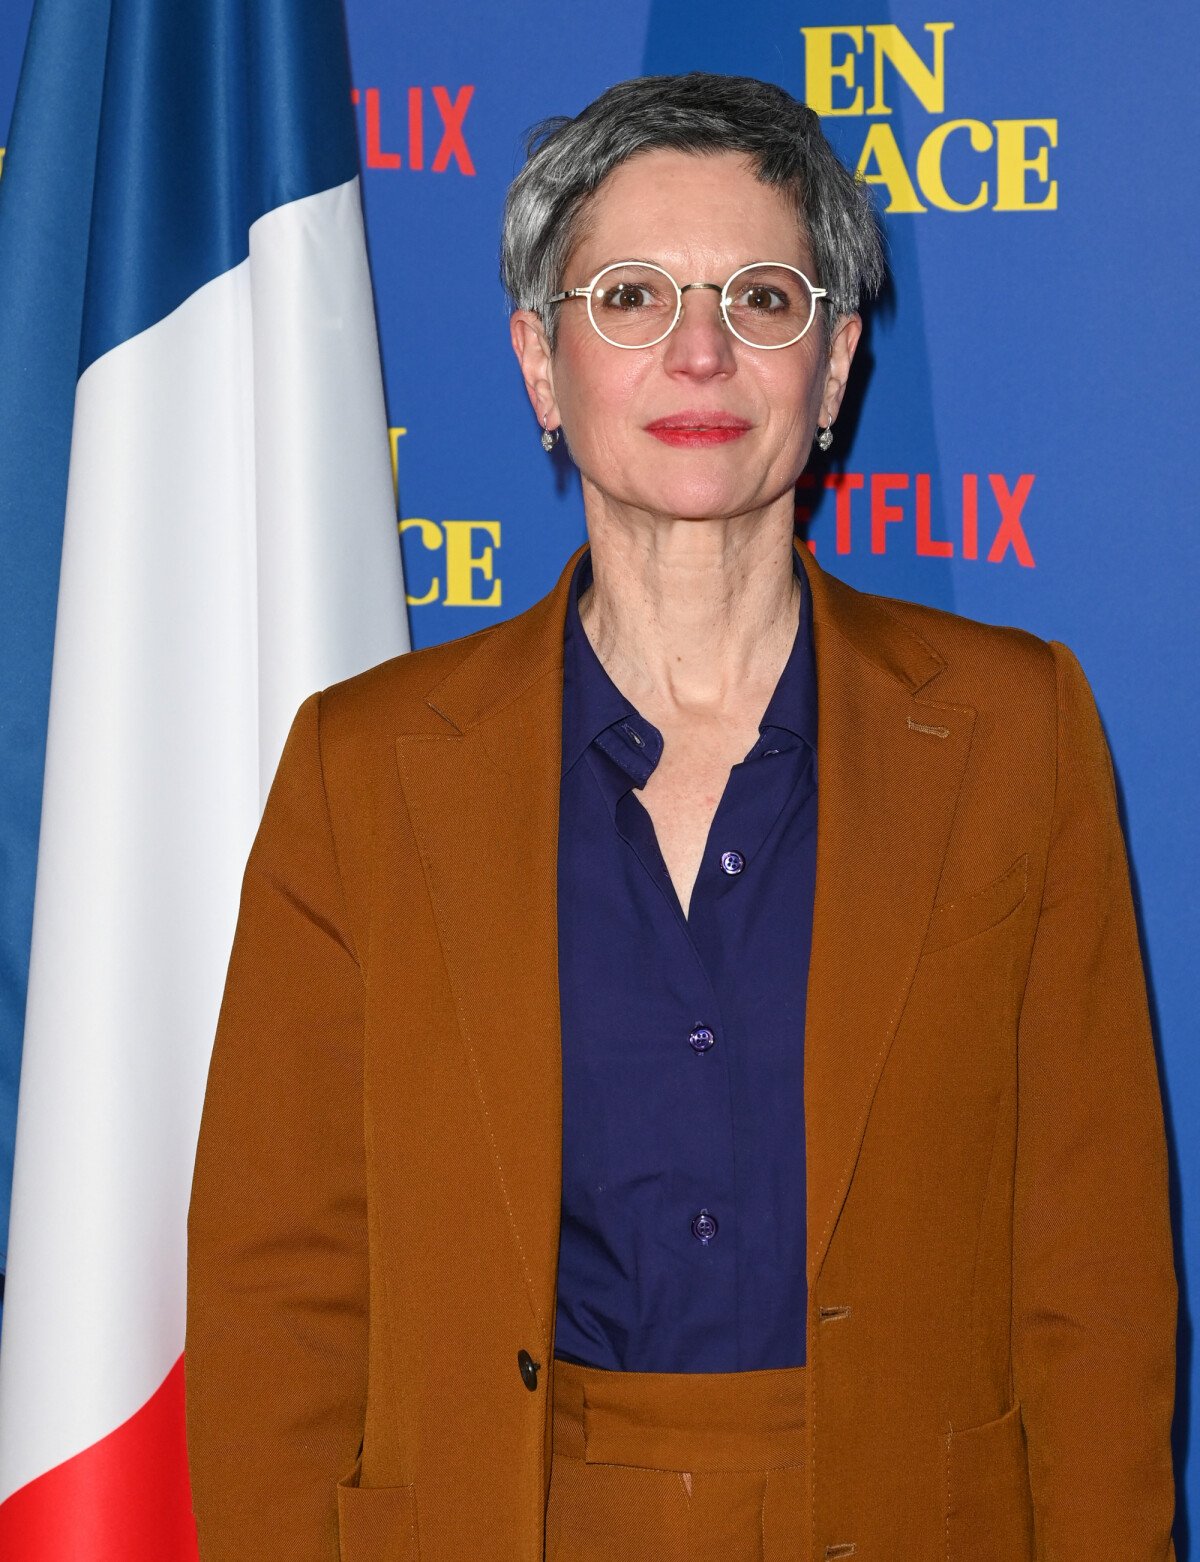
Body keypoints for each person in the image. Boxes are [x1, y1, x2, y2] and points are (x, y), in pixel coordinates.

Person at [185, 73, 1177, 1562]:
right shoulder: (367, 767)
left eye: (762, 297)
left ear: (834, 367)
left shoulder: (1014, 731)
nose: (700, 348)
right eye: (632, 294)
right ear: (539, 359)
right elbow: (283, 1291)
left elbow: (1094, 1282)